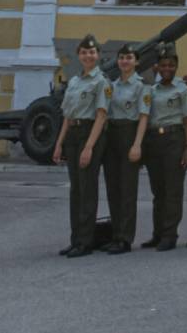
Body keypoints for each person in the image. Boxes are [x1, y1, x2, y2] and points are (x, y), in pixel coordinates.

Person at [53, 33, 107, 257]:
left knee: (87, 190)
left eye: (92, 52)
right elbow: (67, 115)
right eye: (84, 52)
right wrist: (59, 144)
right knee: (76, 190)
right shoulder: (74, 82)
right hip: (73, 134)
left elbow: (101, 116)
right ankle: (75, 239)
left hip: (89, 133)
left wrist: (89, 147)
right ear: (79, 55)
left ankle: (86, 241)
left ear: (98, 55)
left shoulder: (101, 82)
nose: (88, 56)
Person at [141, 42, 187, 251]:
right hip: (154, 141)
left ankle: (170, 235)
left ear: (176, 66)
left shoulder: (182, 89)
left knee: (173, 190)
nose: (167, 69)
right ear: (157, 67)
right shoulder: (151, 90)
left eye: (171, 65)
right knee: (158, 191)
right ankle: (158, 233)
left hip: (174, 140)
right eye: (163, 65)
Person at [100, 43, 149, 255]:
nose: (125, 61)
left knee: (128, 190)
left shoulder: (141, 86)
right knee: (113, 188)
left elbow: (143, 117)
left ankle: (125, 238)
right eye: (122, 58)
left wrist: (137, 144)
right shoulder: (112, 86)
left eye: (129, 58)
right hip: (112, 135)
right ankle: (115, 234)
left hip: (130, 134)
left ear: (136, 62)